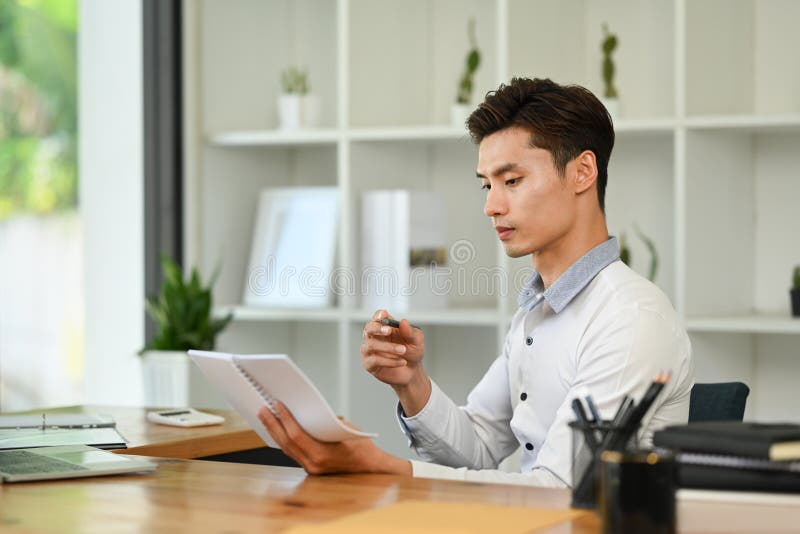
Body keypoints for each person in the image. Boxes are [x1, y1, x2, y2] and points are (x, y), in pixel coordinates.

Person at [258, 77, 694, 487]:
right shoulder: (536, 312)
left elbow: (559, 489)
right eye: (487, 185)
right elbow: (479, 447)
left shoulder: (629, 318)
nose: (491, 205)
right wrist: (411, 383)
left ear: (582, 172)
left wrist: (380, 468)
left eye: (512, 181)